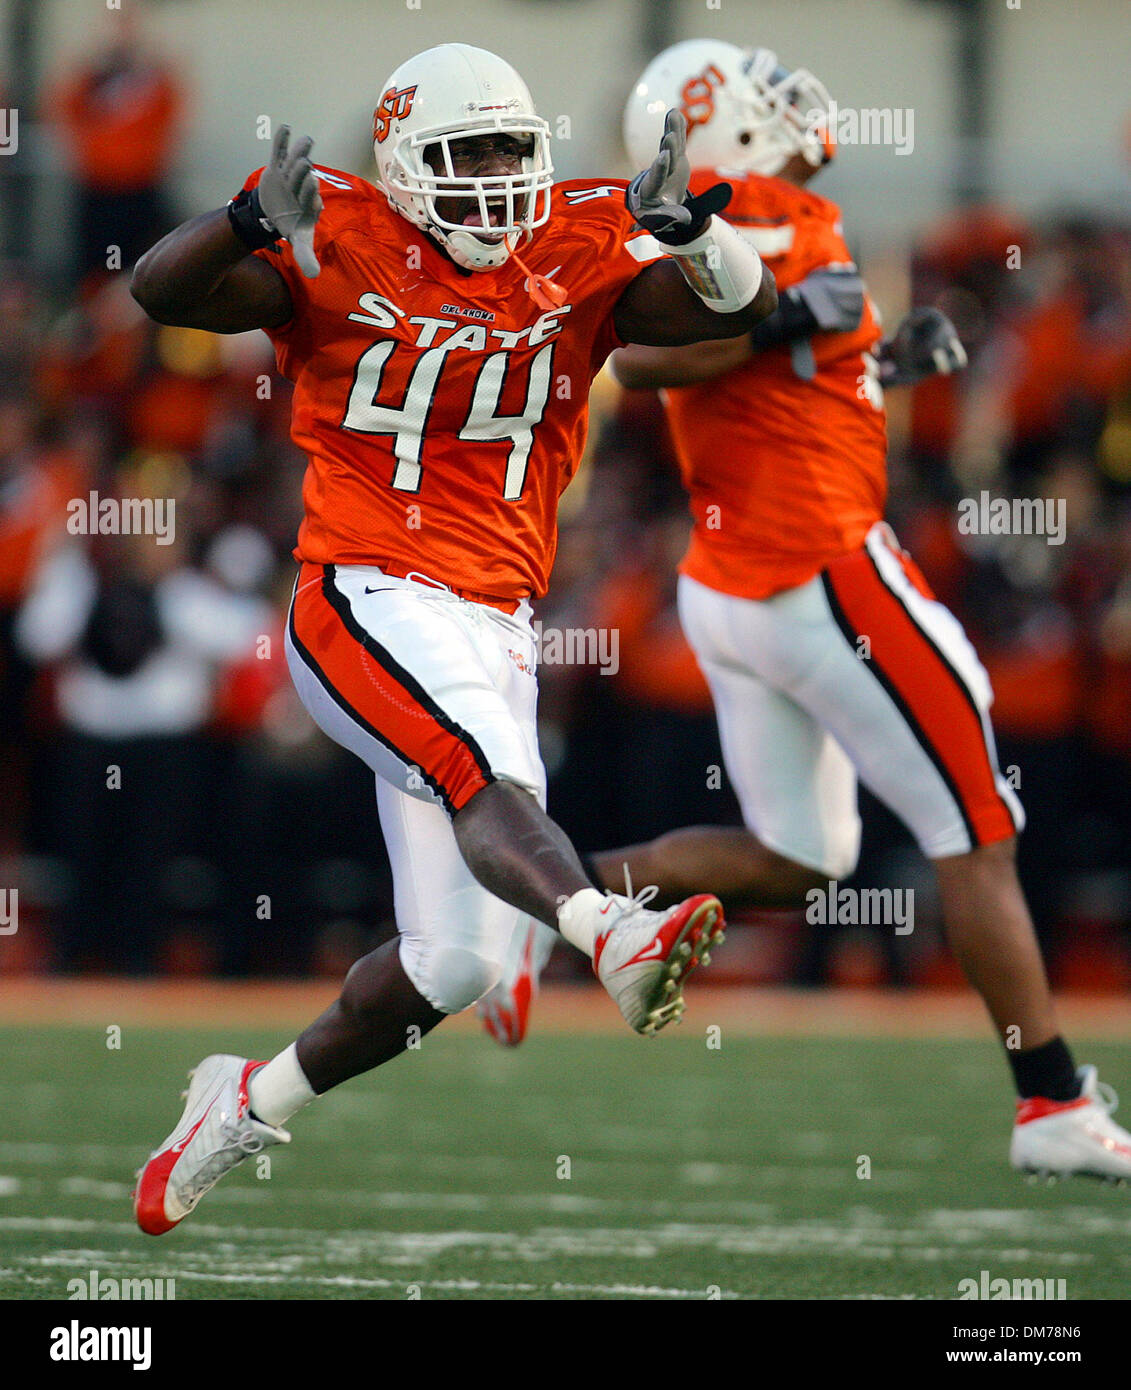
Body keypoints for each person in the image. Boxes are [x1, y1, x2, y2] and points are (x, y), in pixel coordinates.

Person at [128, 41, 778, 1235]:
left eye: (507, 151)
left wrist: (695, 231)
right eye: (463, 154)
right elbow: (160, 294)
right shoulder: (342, 232)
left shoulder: (579, 239)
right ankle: (607, 932)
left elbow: (748, 309)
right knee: (475, 780)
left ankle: (240, 1099)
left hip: (498, 618)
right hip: (363, 590)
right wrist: (238, 224)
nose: (490, 178)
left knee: (453, 966)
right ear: (405, 165)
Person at [479, 39, 1131, 1186]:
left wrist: (878, 357)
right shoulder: (754, 208)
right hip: (823, 574)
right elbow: (647, 363)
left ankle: (555, 906)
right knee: (977, 830)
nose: (788, 109)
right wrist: (795, 320)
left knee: (797, 857)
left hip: (736, 586)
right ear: (719, 124)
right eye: (760, 96)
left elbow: (773, 374)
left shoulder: (725, 219)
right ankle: (1055, 1101)